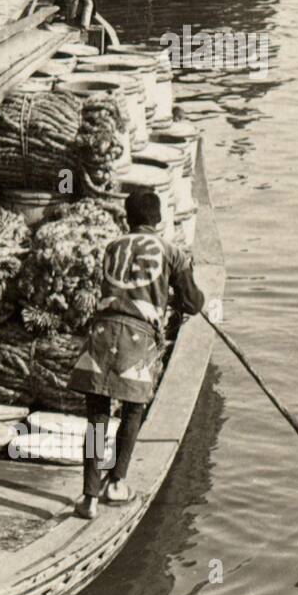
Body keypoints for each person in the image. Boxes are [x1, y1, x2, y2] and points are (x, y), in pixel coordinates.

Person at [68, 189, 205, 518]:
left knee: (97, 417)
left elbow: (120, 289)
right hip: (137, 338)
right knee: (132, 410)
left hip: (101, 333)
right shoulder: (173, 252)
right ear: (158, 220)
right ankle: (116, 483)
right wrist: (169, 299)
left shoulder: (112, 247)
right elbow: (193, 303)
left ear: (127, 219)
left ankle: (88, 496)